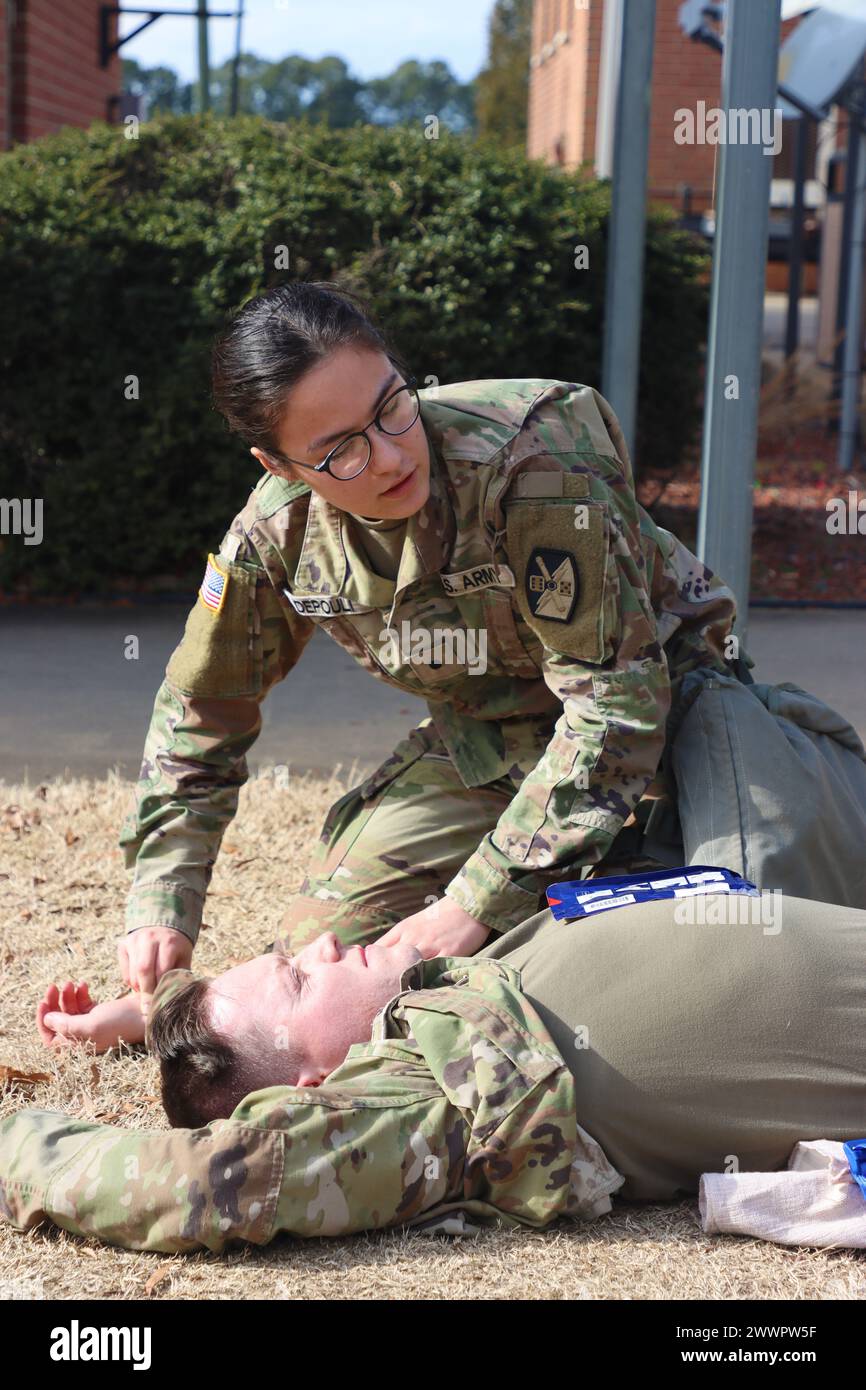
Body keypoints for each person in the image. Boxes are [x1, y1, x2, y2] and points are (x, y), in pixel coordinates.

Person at [117, 279, 745, 1001]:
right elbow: (204, 709)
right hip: (489, 741)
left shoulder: (530, 469)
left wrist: (472, 903)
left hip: (673, 722)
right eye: (340, 451)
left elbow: (619, 713)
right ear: (280, 466)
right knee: (329, 963)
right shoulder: (278, 534)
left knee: (666, 956)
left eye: (390, 406)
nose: (387, 455)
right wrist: (163, 897)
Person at [11, 887, 866, 1254]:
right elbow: (203, 1178)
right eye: (300, 979)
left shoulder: (455, 989)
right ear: (311, 1090)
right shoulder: (431, 1092)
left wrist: (147, 1004)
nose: (323, 944)